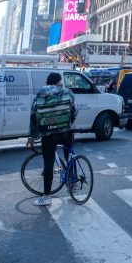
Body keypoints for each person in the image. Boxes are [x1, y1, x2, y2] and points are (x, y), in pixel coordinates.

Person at [28, 72, 78, 206]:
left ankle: (46, 196)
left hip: (48, 133)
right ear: (59, 81)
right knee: (70, 157)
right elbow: (75, 110)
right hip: (66, 131)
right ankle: (73, 182)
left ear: (47, 82)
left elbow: (33, 115)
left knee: (48, 163)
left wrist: (32, 136)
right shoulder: (67, 92)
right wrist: (68, 123)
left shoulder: (41, 92)